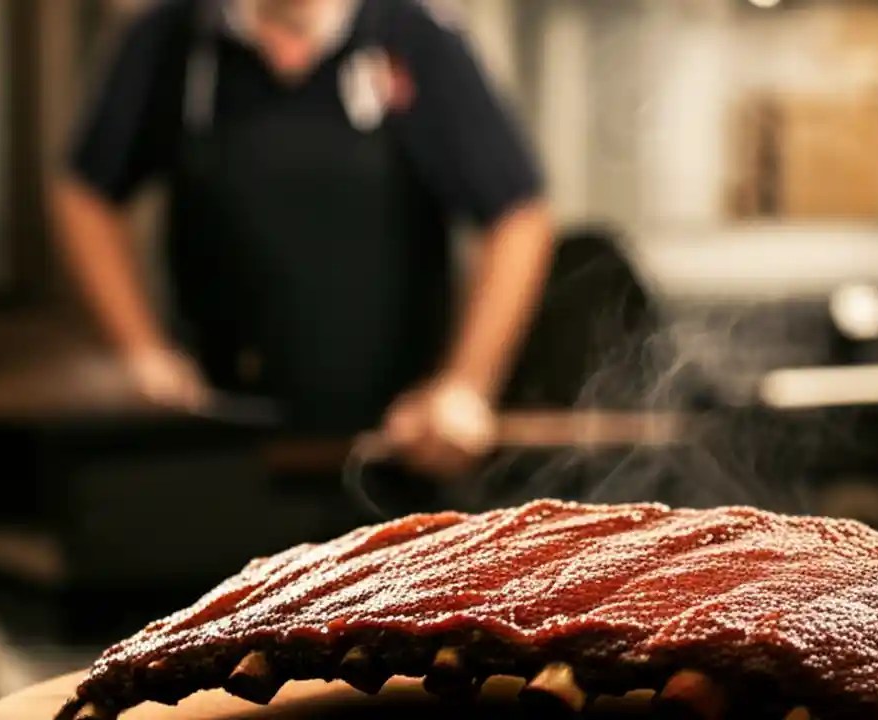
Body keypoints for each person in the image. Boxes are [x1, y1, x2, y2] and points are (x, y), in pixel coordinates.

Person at [50, 0, 553, 496]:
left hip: (387, 455)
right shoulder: (172, 40)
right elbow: (85, 195)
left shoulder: (415, 40)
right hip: (220, 451)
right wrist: (142, 352)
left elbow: (517, 216)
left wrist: (465, 385)